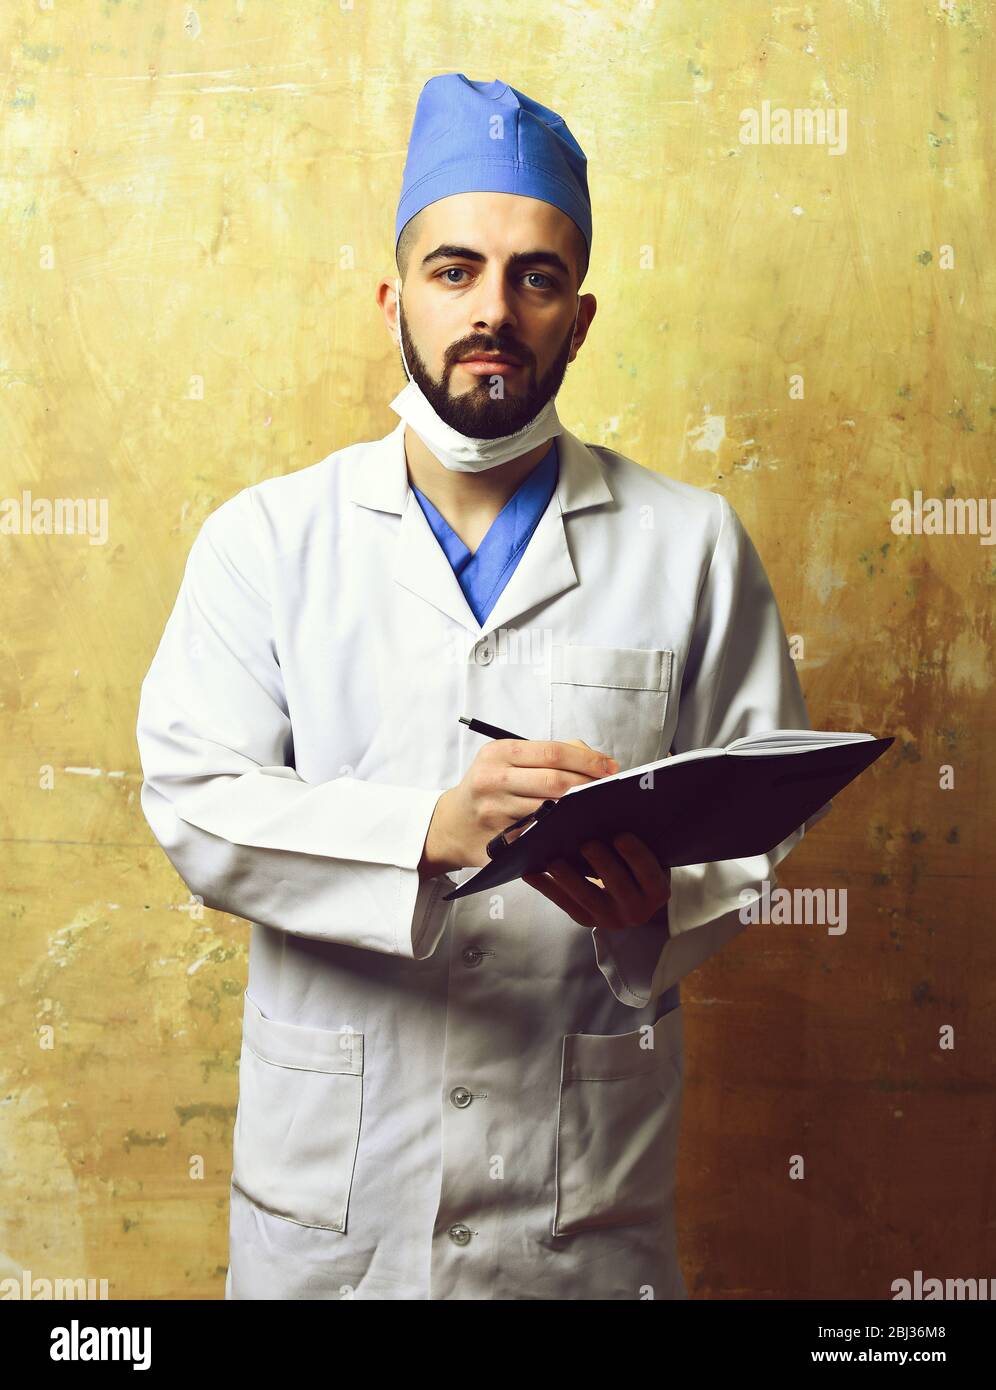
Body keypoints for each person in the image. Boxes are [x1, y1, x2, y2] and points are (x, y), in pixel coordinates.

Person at [136, 73, 818, 1300]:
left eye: (534, 277)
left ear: (580, 319)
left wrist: (653, 913)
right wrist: (431, 830)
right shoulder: (268, 540)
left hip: (578, 1209)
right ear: (394, 297)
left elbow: (757, 819)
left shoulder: (691, 544)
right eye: (454, 271)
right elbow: (194, 797)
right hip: (336, 1201)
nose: (492, 309)